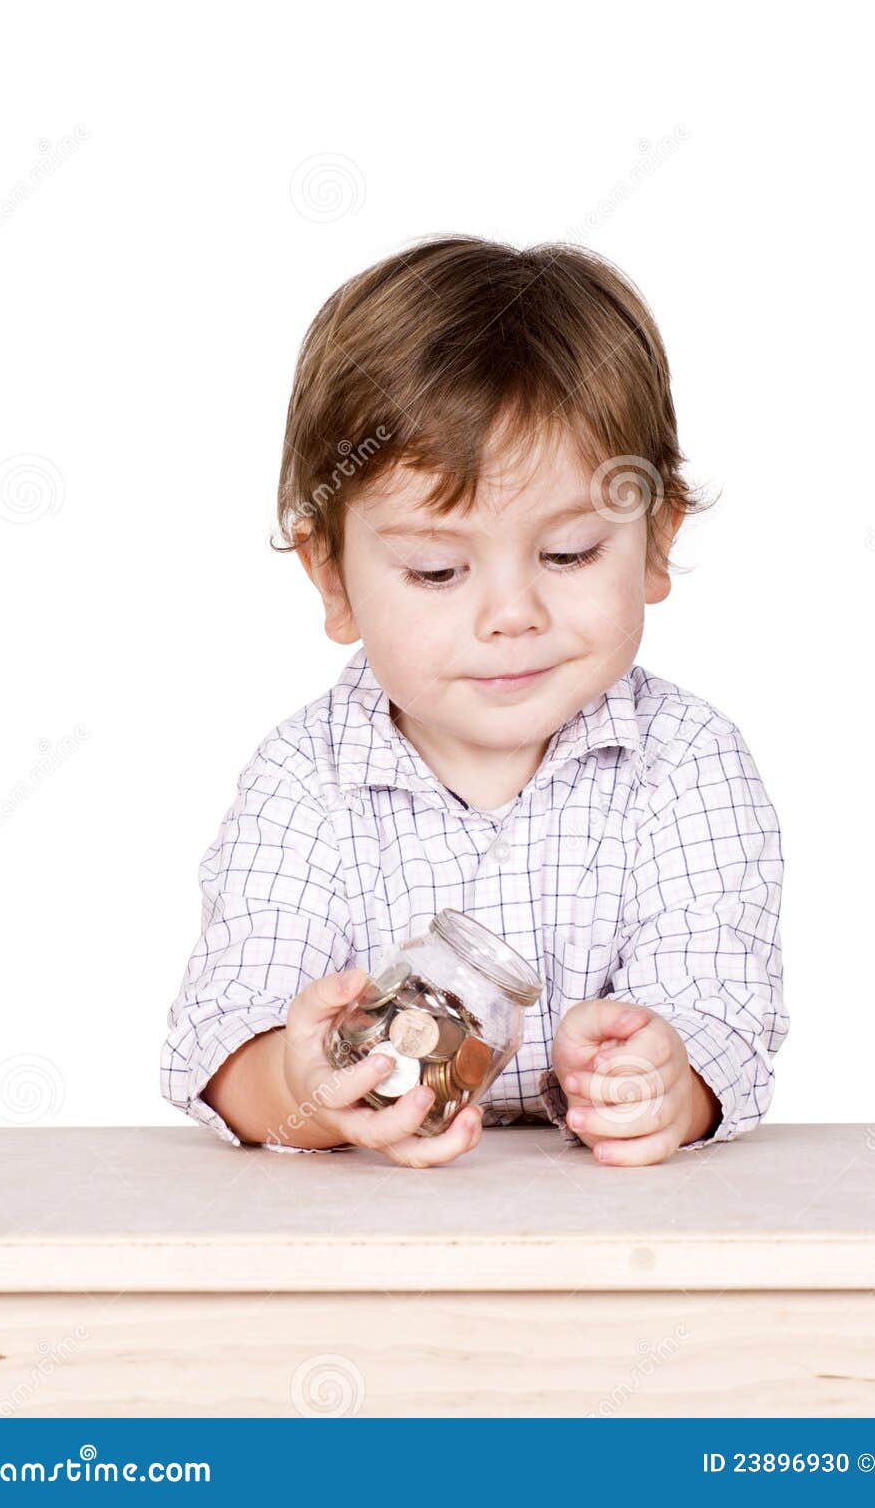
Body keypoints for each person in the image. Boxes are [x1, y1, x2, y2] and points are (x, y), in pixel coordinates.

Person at [159, 235, 789, 1167]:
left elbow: (722, 1006)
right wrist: (306, 1088)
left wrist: (666, 1082)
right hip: (360, 1246)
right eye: (437, 569)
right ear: (332, 578)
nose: (511, 615)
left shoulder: (687, 762)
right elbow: (226, 1032)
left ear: (655, 541)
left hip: (615, 1241)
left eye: (569, 554)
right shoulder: (305, 777)